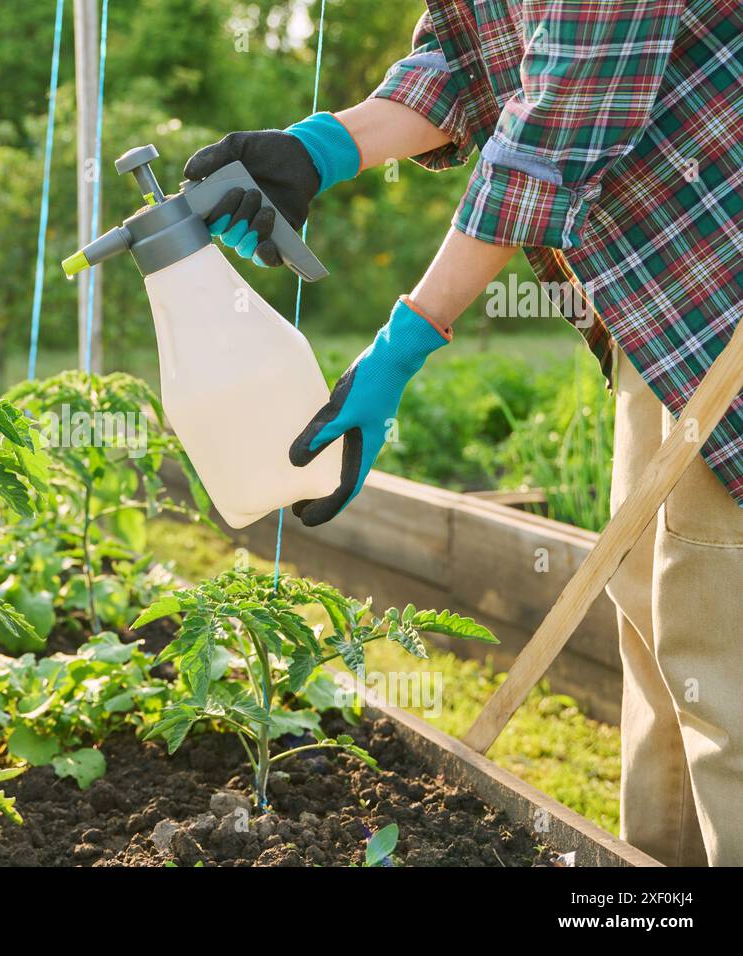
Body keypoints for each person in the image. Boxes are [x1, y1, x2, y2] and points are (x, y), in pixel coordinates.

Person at [183, 0, 742, 866]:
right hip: (660, 309)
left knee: (719, 634)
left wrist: (402, 346)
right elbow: (471, 51)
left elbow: (553, 125)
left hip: (724, 284)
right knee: (647, 605)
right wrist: (318, 148)